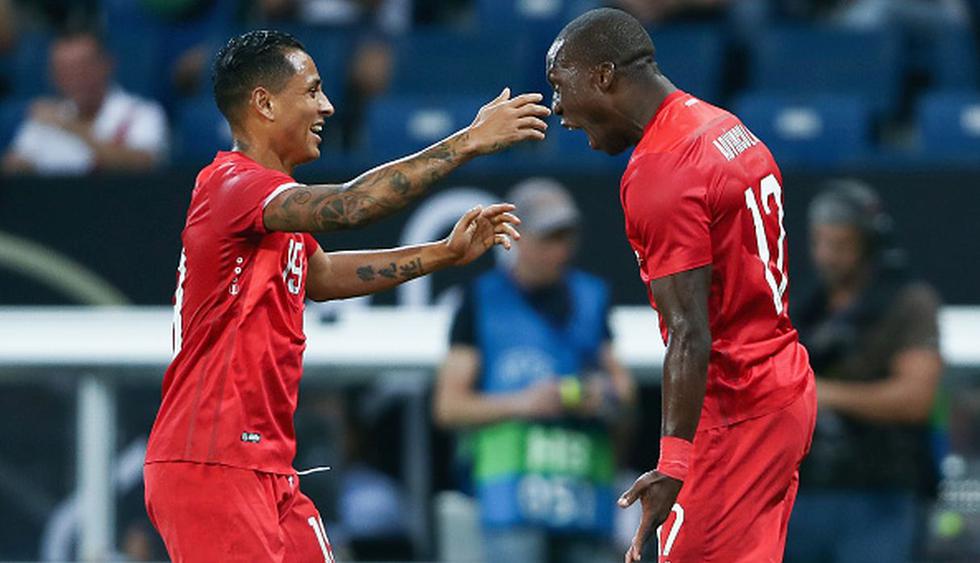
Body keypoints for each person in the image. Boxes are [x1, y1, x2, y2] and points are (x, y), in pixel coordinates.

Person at [142, 30, 550, 563]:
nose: (327, 106)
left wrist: (442, 254)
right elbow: (351, 206)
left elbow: (324, 275)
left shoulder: (270, 208)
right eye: (312, 91)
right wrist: (467, 142)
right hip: (211, 461)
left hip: (267, 466)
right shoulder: (232, 185)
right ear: (265, 103)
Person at [545, 8, 815, 562]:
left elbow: (690, 332)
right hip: (781, 384)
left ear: (603, 75)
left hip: (735, 407)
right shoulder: (722, 125)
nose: (557, 107)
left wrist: (673, 462)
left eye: (559, 84)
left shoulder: (661, 168)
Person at [433, 179, 636, 563]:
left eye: (567, 237)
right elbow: (449, 406)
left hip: (584, 500)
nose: (561, 250)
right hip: (510, 503)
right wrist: (526, 404)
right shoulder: (480, 301)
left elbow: (624, 392)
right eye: (549, 237)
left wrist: (601, 395)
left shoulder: (592, 297)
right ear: (517, 238)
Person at [785, 181, 944, 563]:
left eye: (840, 245)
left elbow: (916, 399)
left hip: (880, 495)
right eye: (820, 242)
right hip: (803, 492)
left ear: (868, 244)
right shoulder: (804, 309)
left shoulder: (908, 304)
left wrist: (820, 393)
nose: (827, 256)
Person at [2, 27, 169, 175]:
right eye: (64, 70)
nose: (74, 78)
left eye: (82, 68)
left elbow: (144, 164)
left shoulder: (141, 113)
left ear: (106, 64)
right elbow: (14, 167)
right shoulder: (46, 117)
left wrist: (70, 127)